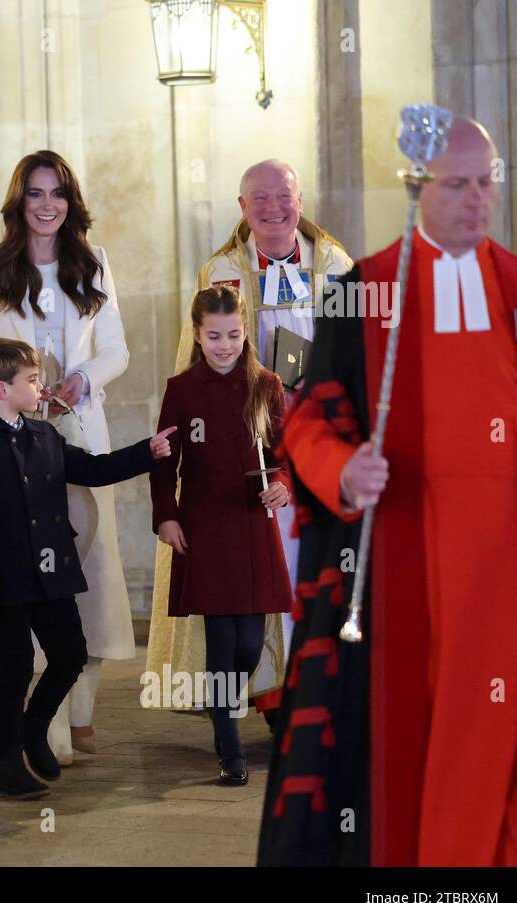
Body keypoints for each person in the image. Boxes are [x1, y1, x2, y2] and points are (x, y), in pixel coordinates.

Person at [260, 117, 517, 866]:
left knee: (508, 735)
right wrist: (344, 471)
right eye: (458, 184)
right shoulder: (365, 293)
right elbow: (309, 420)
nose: (477, 199)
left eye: (487, 182)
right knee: (410, 740)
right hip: (405, 572)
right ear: (417, 186)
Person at [148, 160, 354, 718]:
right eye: (258, 197)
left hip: (318, 436)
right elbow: (199, 361)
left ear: (300, 198)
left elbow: (356, 350)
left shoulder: (335, 265)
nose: (272, 207)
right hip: (251, 442)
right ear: (242, 207)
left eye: (282, 194)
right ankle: (261, 695)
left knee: (314, 566)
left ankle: (312, 690)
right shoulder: (222, 270)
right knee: (259, 568)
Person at [0, 150, 135, 764]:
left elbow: (117, 350)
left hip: (79, 433)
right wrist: (12, 382)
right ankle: (42, 727)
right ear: (19, 201)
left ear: (70, 201)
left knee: (90, 576)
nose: (47, 204)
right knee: (26, 575)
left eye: (57, 193)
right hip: (14, 441)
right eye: (35, 193)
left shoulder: (95, 264)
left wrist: (81, 377)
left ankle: (79, 710)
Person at [0, 338, 173, 798]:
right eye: (30, 381)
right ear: (0, 389)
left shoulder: (44, 436)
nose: (40, 387)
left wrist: (146, 452)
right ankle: (8, 761)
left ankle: (35, 729)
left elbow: (93, 469)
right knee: (13, 668)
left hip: (51, 571)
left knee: (70, 654)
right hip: (4, 579)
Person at [150, 285, 292, 785]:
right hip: (205, 523)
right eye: (214, 336)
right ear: (197, 334)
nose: (225, 345)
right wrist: (166, 516)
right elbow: (163, 462)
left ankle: (223, 706)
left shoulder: (267, 384)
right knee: (221, 639)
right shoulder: (182, 388)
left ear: (246, 331)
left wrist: (282, 485)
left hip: (252, 523)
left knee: (250, 643)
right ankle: (229, 751)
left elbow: (284, 453)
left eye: (233, 334)